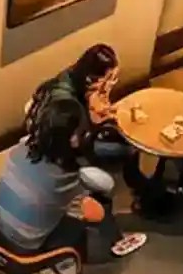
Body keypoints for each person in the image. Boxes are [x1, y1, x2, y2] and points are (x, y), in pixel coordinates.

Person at [0, 93, 147, 274]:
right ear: (69, 139)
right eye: (80, 133)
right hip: (23, 250)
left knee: (70, 207)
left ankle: (114, 240)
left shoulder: (19, 149)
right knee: (97, 214)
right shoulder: (62, 180)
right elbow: (94, 213)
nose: (83, 137)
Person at [26, 44, 140, 185]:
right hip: (60, 158)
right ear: (93, 79)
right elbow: (73, 143)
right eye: (109, 79)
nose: (110, 84)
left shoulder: (66, 78)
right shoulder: (68, 108)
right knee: (127, 148)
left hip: (48, 138)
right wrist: (97, 122)